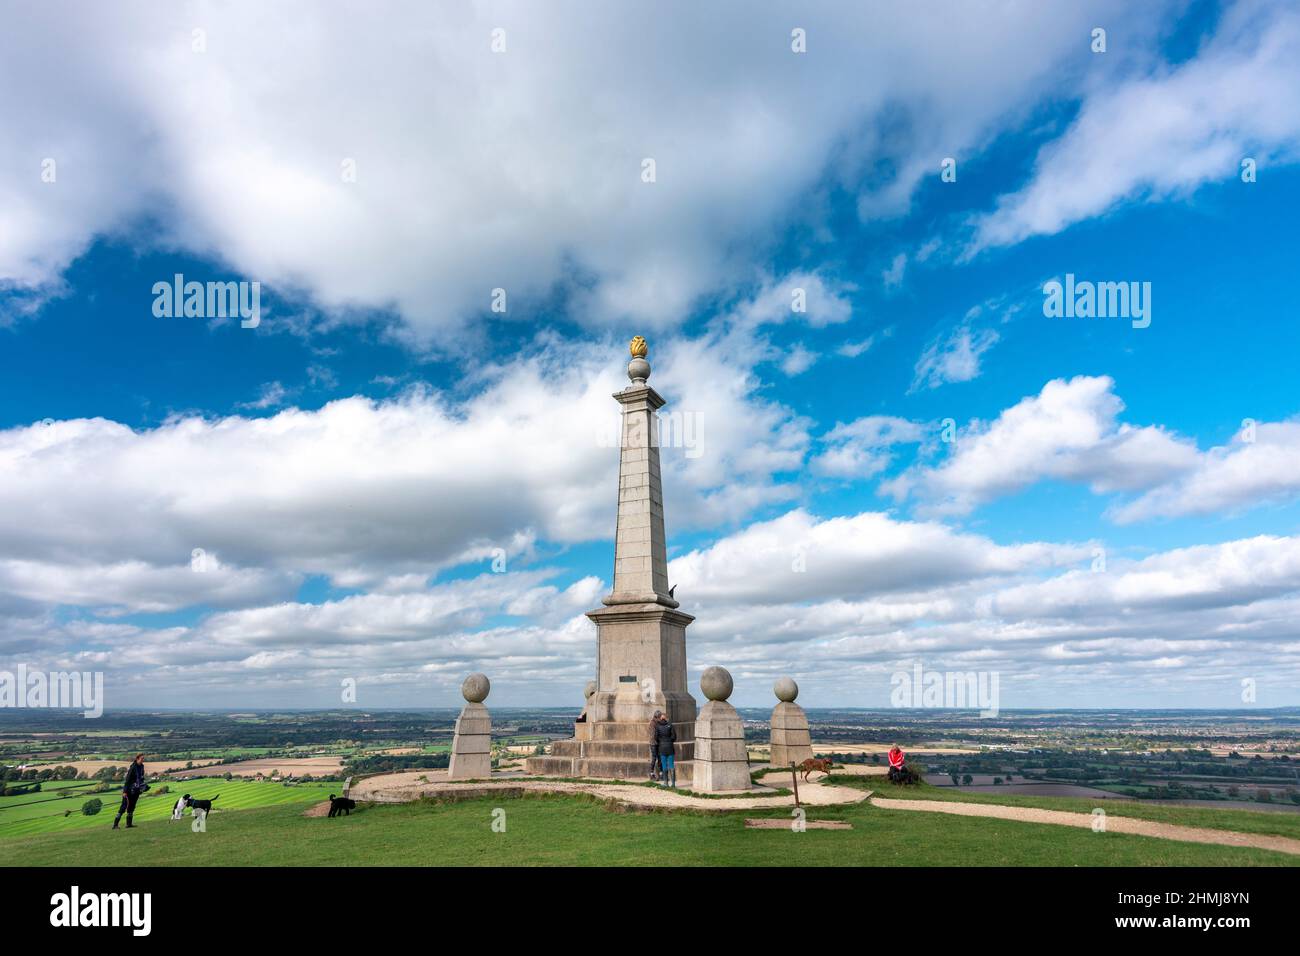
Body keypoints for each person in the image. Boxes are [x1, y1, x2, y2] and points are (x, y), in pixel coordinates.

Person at [113, 753, 148, 830]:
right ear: (137, 759)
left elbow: (141, 778)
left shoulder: (142, 767)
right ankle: (115, 825)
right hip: (129, 790)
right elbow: (127, 780)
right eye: (142, 758)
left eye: (143, 758)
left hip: (136, 790)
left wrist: (143, 786)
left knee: (132, 807)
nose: (143, 760)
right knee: (123, 807)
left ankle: (129, 824)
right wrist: (124, 791)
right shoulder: (133, 767)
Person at [653, 712, 677, 788]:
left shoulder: (657, 726)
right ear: (666, 718)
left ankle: (666, 783)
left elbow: (656, 737)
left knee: (664, 765)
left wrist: (661, 741)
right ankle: (673, 784)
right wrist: (669, 741)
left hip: (662, 748)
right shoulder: (670, 725)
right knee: (671, 765)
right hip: (670, 747)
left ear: (660, 718)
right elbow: (674, 737)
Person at [648, 711, 663, 780]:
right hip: (654, 743)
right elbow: (654, 735)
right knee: (654, 758)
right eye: (660, 717)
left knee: (660, 758)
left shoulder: (657, 723)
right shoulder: (653, 723)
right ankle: (651, 774)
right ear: (657, 717)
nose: (660, 718)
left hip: (657, 743)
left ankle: (661, 774)